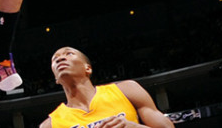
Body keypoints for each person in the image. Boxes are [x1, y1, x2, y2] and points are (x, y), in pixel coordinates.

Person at [43, 47, 173, 128]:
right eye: (55, 59)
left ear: (87, 68)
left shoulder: (126, 90)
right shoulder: (51, 124)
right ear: (56, 79)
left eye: (69, 54)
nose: (60, 59)